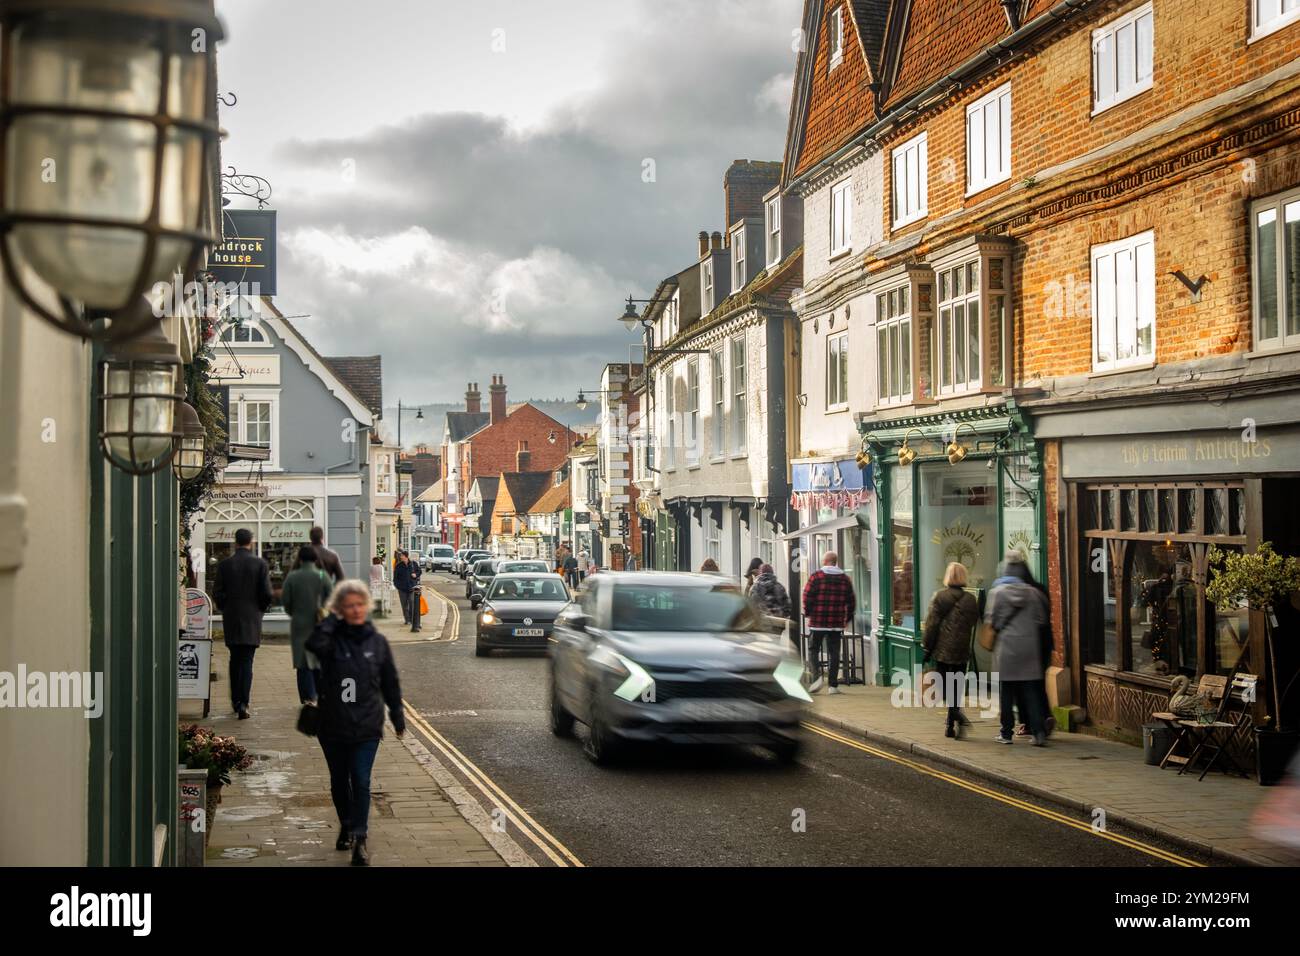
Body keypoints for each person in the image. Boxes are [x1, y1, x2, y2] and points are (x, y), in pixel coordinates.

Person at [306, 580, 405, 866]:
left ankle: (360, 837)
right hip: (333, 725)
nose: (356, 609)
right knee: (339, 780)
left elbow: (391, 683)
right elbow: (312, 644)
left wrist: (397, 717)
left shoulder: (378, 642)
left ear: (367, 607)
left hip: (366, 726)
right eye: (348, 605)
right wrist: (332, 621)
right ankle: (346, 824)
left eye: (360, 604)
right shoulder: (329, 639)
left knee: (360, 780)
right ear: (339, 609)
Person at [984, 551, 1051, 746]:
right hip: (1029, 648)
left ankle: (1006, 733)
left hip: (1006, 649)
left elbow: (990, 620)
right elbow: (1041, 619)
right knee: (1031, 690)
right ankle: (1038, 733)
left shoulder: (997, 593)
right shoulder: (1033, 593)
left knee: (1007, 693)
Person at [212, 528, 273, 719]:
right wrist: (260, 610)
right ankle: (243, 703)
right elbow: (266, 594)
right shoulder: (260, 564)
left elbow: (218, 593)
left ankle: (236, 699)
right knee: (247, 661)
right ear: (251, 542)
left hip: (232, 617)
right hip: (251, 618)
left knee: (234, 659)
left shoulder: (225, 565)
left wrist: (226, 607)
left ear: (235, 542)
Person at [922, 562, 981, 739]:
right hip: (962, 650)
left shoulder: (939, 597)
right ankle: (950, 725)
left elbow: (931, 625)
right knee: (957, 687)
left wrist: (926, 646)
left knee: (944, 687)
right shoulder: (971, 600)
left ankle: (958, 717)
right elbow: (973, 623)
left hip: (942, 651)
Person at [281, 545, 333, 705]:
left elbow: (286, 602)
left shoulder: (292, 577)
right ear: (315, 559)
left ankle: (307, 697)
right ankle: (318, 694)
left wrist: (295, 614)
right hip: (319, 624)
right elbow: (331, 600)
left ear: (301, 559)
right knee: (318, 661)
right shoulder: (322, 576)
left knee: (302, 662)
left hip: (299, 624)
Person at [801, 551, 856, 694]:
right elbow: (851, 601)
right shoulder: (845, 579)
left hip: (818, 621)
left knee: (813, 650)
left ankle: (817, 678)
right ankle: (833, 685)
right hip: (836, 623)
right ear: (835, 562)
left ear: (825, 561)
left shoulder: (816, 577)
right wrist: (847, 618)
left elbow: (806, 596)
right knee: (834, 652)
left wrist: (808, 612)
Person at [392, 550, 421, 625]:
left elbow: (419, 571)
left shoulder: (413, 564)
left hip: (412, 587)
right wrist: (398, 586)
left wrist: (416, 574)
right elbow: (395, 578)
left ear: (405, 556)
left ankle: (411, 619)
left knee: (412, 603)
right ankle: (407, 619)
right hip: (402, 589)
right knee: (404, 605)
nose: (400, 557)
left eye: (401, 555)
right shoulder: (398, 566)